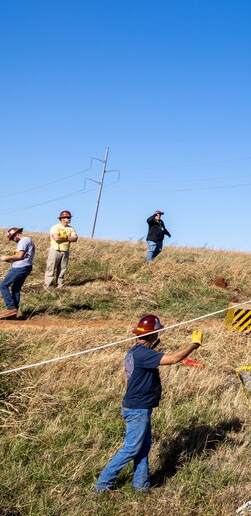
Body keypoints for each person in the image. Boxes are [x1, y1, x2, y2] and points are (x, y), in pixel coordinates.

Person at [94, 315, 202, 493]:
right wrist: (194, 345)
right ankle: (103, 485)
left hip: (137, 406)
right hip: (138, 408)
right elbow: (174, 359)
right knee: (131, 448)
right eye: (157, 333)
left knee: (143, 448)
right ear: (153, 334)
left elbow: (131, 379)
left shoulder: (134, 352)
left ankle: (141, 485)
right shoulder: (144, 354)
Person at [2, 227, 36, 319]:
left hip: (19, 268)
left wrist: (7, 257)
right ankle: (13, 314)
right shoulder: (28, 240)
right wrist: (11, 260)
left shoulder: (23, 241)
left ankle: (11, 308)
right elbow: (23, 256)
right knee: (15, 289)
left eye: (12, 238)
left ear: (17, 234)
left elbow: (20, 255)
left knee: (3, 286)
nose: (13, 240)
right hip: (26, 267)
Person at [45, 209, 78, 288]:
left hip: (65, 251)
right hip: (55, 250)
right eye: (67, 217)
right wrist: (68, 238)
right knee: (51, 269)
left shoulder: (71, 228)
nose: (69, 219)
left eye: (69, 217)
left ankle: (60, 285)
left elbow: (75, 238)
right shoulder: (55, 227)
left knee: (62, 269)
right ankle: (47, 286)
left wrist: (63, 237)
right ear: (62, 218)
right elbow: (56, 238)